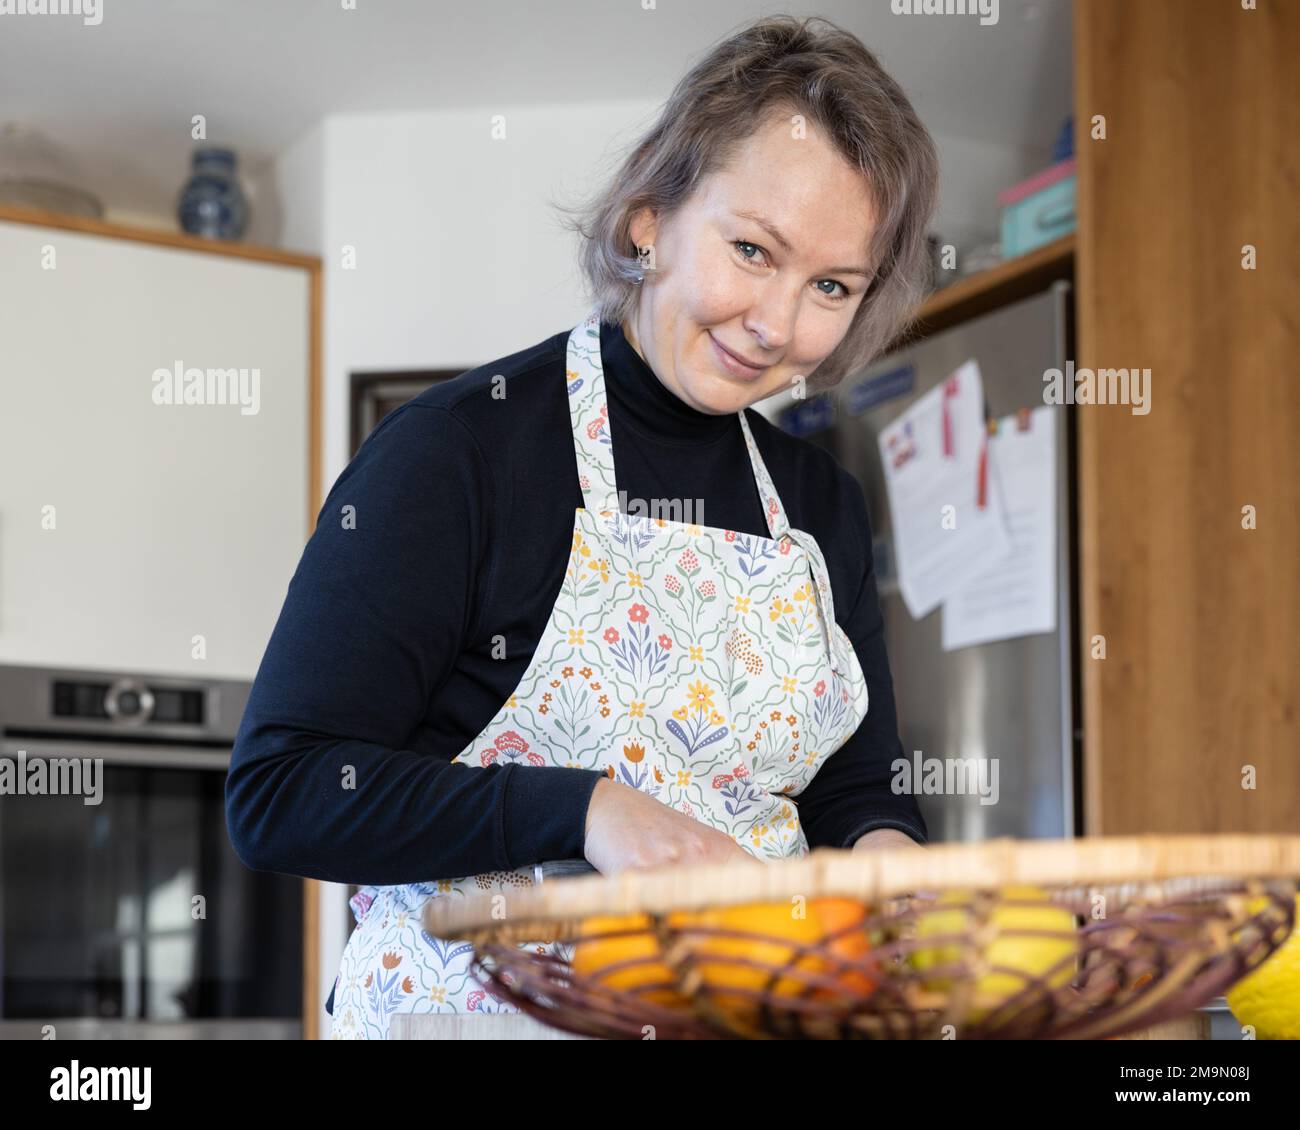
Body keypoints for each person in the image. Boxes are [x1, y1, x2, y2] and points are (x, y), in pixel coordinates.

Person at [225, 14, 939, 1039]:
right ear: (649, 219)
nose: (779, 323)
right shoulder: (458, 453)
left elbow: (852, 786)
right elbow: (283, 788)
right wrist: (590, 808)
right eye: (752, 250)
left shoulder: (820, 503)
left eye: (830, 285)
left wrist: (892, 867)